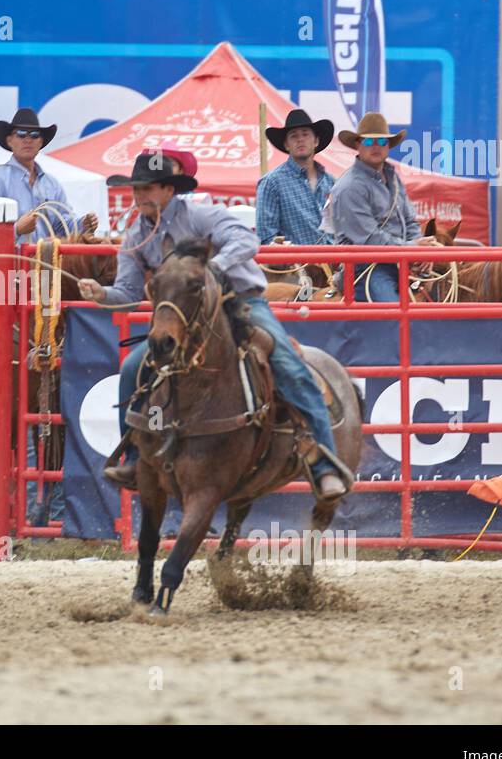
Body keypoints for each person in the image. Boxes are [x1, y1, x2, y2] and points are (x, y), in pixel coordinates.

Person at [76, 151, 348, 501]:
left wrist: (213, 268)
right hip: (185, 320)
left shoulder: (202, 216)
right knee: (133, 368)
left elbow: (248, 241)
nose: (140, 195)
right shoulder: (135, 237)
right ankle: (136, 457)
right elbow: (128, 292)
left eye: (149, 187)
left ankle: (325, 465)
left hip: (242, 302)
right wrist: (102, 293)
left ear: (168, 190)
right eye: (136, 189)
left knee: (290, 367)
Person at [327, 112, 421, 302]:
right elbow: (369, 238)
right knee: (392, 312)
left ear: (388, 146)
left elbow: (410, 221)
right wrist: (412, 248)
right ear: (358, 145)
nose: (376, 146)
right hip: (365, 267)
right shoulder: (349, 187)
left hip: (400, 261)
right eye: (369, 142)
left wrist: (419, 251)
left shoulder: (393, 178)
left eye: (382, 141)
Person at [0, 108, 99, 243]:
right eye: (21, 134)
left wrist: (82, 224)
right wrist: (17, 230)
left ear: (41, 142)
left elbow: (62, 224)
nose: (28, 139)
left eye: (34, 135)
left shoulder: (52, 184)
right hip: (8, 262)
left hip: (47, 260)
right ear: (9, 141)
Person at [255, 108, 336, 245]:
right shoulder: (272, 182)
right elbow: (266, 238)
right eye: (294, 136)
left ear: (316, 141)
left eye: (305, 134)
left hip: (333, 263)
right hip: (295, 265)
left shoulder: (331, 182)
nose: (300, 140)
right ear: (286, 144)